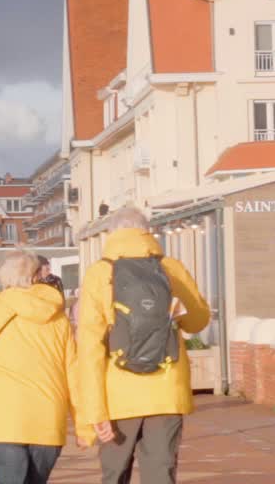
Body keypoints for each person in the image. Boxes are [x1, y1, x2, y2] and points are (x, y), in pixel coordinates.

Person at [76, 207, 210, 484]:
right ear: (148, 232)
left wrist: (94, 411)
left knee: (114, 474)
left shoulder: (100, 273)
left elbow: (89, 347)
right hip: (166, 392)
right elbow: (197, 322)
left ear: (111, 234)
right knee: (160, 474)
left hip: (117, 396)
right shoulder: (170, 268)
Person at [0, 251, 78, 484]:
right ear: (37, 276)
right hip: (48, 419)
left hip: (2, 419)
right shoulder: (58, 319)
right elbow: (75, 374)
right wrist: (84, 423)